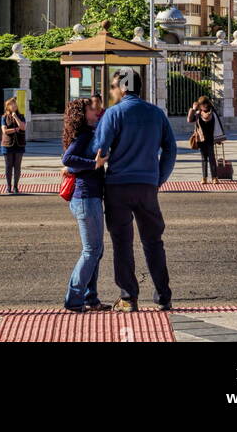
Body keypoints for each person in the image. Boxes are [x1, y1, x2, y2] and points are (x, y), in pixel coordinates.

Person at [93, 70, 177, 313]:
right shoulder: (156, 114)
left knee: (122, 243)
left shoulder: (114, 113)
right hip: (147, 186)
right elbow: (170, 150)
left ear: (123, 87)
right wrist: (158, 178)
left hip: (118, 186)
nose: (112, 91)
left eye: (113, 86)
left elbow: (100, 148)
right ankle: (163, 296)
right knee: (153, 242)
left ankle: (129, 297)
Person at [61, 98, 108, 312]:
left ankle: (91, 298)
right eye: (91, 108)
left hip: (88, 198)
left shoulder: (90, 132)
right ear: (82, 113)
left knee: (96, 250)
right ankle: (74, 299)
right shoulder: (85, 135)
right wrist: (94, 164)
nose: (95, 110)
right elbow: (68, 159)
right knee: (91, 250)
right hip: (86, 199)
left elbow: (71, 167)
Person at [187, 95, 227, 184]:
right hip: (201, 139)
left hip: (210, 139)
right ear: (200, 105)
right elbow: (189, 120)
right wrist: (193, 109)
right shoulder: (197, 114)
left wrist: (219, 138)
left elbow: (210, 121)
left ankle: (215, 178)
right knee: (203, 158)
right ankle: (204, 178)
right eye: (202, 104)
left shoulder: (212, 114)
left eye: (205, 104)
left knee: (212, 158)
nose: (204, 106)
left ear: (208, 104)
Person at [0, 96, 27, 194]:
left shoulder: (21, 116)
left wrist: (15, 117)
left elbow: (23, 127)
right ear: (8, 106)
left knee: (17, 167)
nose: (14, 105)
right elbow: (5, 131)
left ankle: (15, 187)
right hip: (7, 145)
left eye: (15, 104)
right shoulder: (4, 117)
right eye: (11, 104)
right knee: (8, 166)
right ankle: (8, 187)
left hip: (19, 145)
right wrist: (15, 129)